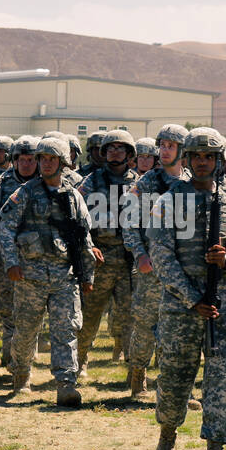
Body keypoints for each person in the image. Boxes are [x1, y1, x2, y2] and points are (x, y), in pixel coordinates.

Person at [148, 128, 226, 450]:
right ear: (188, 160)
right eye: (197, 157)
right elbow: (161, 257)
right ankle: (166, 445)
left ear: (220, 160)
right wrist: (192, 300)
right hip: (181, 308)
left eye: (210, 156)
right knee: (176, 377)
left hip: (222, 308)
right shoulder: (168, 202)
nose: (204, 162)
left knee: (221, 379)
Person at [0, 136, 100, 406]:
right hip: (30, 276)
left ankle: (66, 384)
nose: (45, 164)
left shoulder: (74, 196)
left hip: (65, 277)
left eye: (51, 159)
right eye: (42, 158)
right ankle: (21, 377)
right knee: (27, 331)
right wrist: (12, 262)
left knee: (66, 330)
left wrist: (87, 276)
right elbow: (5, 228)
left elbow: (83, 237)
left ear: (63, 163)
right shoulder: (25, 193)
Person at [121, 123, 189, 398]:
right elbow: (129, 224)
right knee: (146, 326)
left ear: (182, 150)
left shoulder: (192, 183)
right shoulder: (146, 183)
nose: (164, 150)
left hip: (182, 268)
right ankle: (138, 373)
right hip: (151, 269)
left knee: (178, 328)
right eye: (162, 145)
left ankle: (172, 386)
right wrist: (140, 254)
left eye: (170, 146)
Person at [76, 128, 139, 378]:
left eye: (120, 148)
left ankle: (134, 370)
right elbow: (78, 220)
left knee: (130, 316)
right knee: (90, 315)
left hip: (128, 261)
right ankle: (80, 360)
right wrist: (88, 246)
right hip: (99, 260)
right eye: (110, 148)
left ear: (129, 153)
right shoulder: (91, 182)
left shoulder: (139, 183)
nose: (115, 152)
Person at [0, 135, 40, 367]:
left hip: (39, 261)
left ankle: (22, 357)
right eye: (21, 159)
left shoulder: (48, 184)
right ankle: (0, 354)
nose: (26, 164)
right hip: (4, 261)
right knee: (3, 311)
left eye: (31, 159)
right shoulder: (2, 188)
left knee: (32, 313)